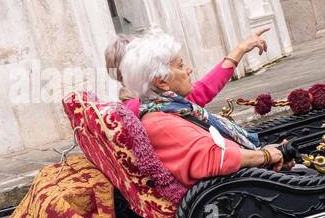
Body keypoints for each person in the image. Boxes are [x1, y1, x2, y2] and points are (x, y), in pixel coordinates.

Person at [120, 29, 293, 188]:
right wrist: (267, 156)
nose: (189, 69)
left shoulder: (172, 107)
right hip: (238, 192)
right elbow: (214, 157)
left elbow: (202, 91)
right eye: (180, 66)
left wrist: (271, 153)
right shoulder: (159, 122)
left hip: (245, 181)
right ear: (162, 82)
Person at [105, 27, 271, 114]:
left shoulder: (155, 101)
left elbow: (200, 91)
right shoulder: (148, 108)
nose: (189, 70)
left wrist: (239, 50)